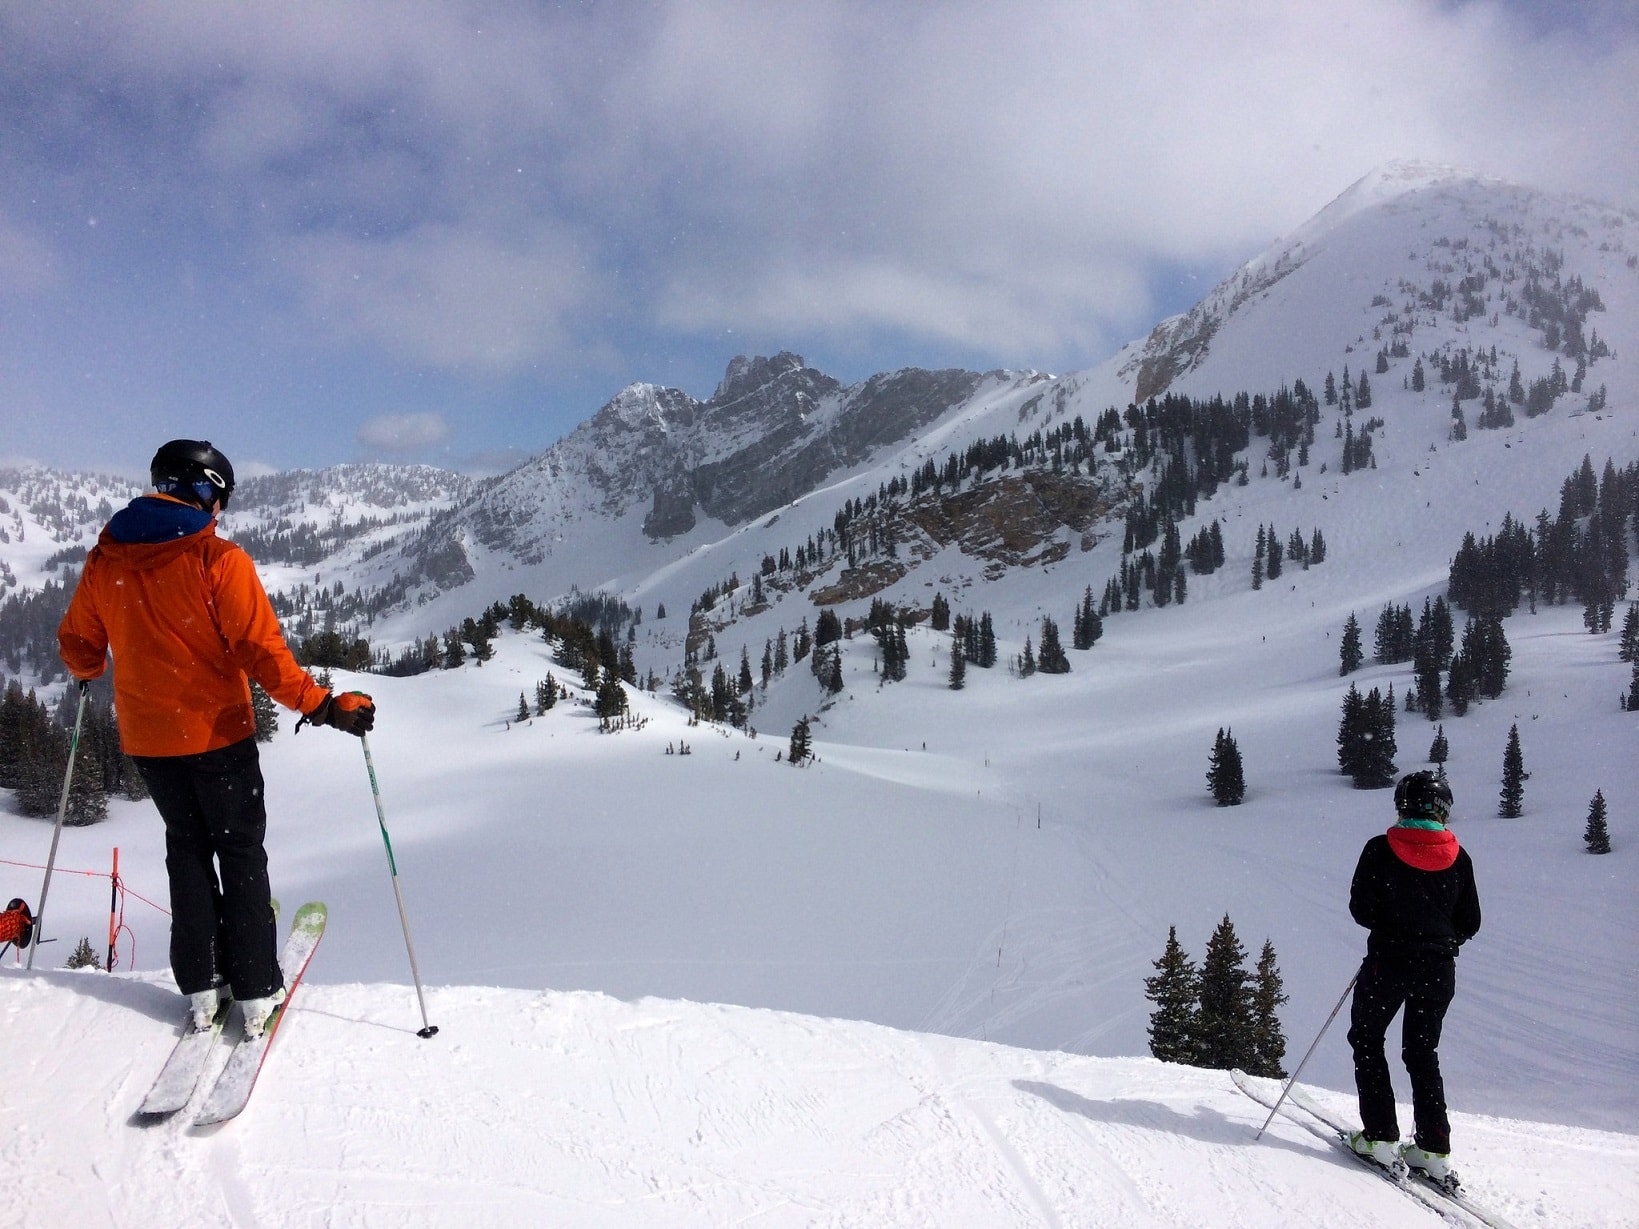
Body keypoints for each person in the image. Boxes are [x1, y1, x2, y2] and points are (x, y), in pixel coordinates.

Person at [57, 440, 376, 1036]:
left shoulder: (107, 559)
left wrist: (87, 669)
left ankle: (203, 986)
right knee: (239, 850)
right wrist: (323, 706)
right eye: (218, 498)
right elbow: (261, 652)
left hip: (149, 741)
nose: (219, 511)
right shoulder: (217, 559)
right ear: (203, 490)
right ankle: (256, 990)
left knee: (186, 847)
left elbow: (79, 643)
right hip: (216, 735)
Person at [1345, 770, 1481, 1185]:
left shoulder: (1380, 849)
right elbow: (1470, 922)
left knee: (1368, 1039)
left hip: (1388, 962)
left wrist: (1395, 925)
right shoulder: (1459, 857)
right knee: (1422, 1052)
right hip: (1437, 969)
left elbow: (1361, 909)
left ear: (1401, 805)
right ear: (1443, 810)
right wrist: (1437, 937)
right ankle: (1433, 1149)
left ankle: (1381, 1137)